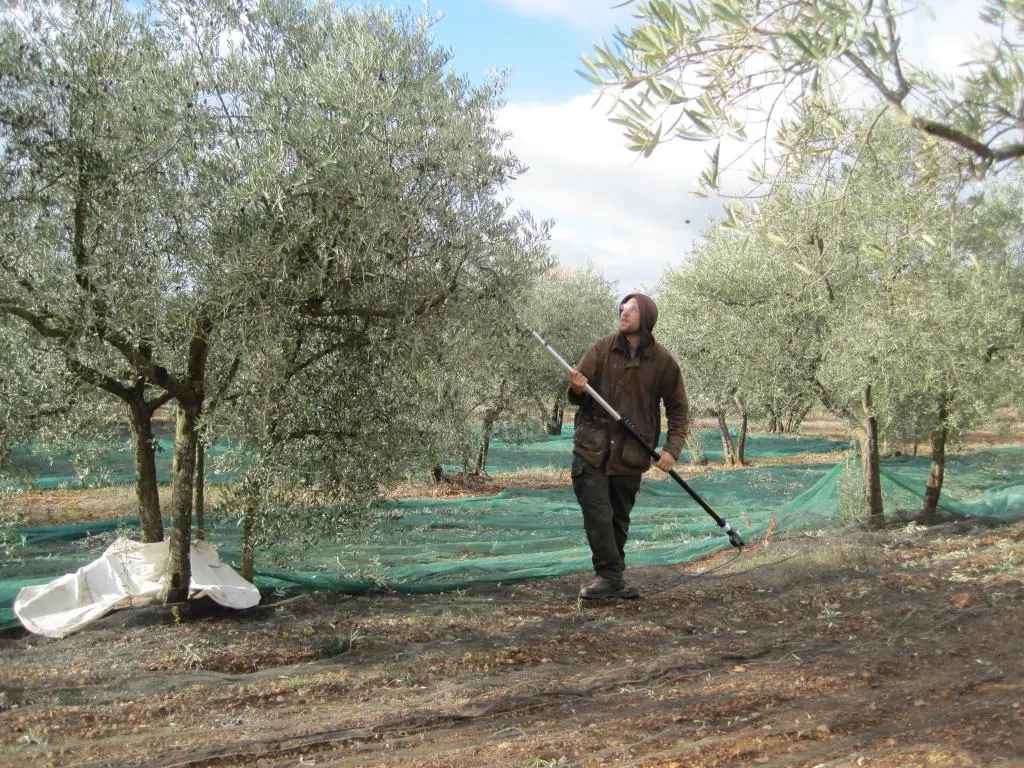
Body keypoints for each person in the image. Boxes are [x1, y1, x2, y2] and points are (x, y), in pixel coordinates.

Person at [567, 293, 688, 599]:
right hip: (591, 449)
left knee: (618, 519)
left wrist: (672, 450)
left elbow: (678, 409)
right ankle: (609, 576)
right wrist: (577, 388)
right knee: (598, 513)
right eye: (623, 307)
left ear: (646, 317)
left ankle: (612, 580)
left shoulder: (662, 362)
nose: (624, 312)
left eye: (632, 309)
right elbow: (576, 391)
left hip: (632, 453)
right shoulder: (602, 348)